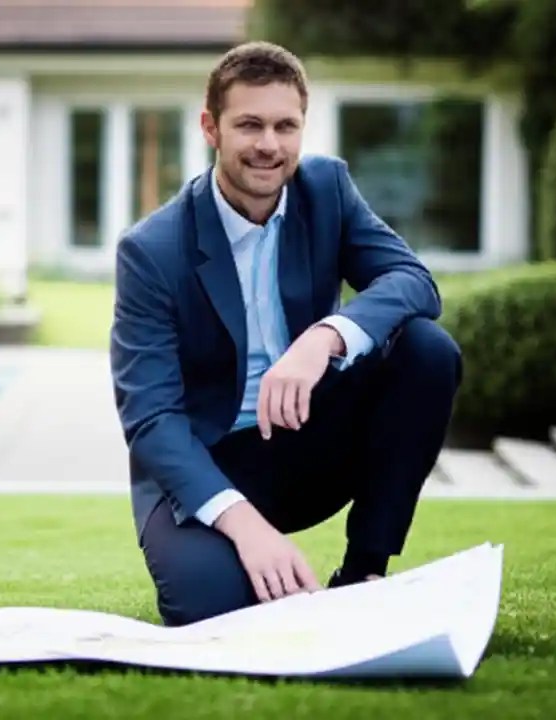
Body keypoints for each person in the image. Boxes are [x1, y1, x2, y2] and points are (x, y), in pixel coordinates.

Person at [109, 41, 463, 627]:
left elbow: (413, 281)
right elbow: (151, 419)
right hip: (209, 464)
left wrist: (326, 337)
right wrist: (246, 527)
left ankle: (364, 572)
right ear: (210, 128)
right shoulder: (152, 250)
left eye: (285, 126)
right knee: (212, 612)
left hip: (307, 440)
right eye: (249, 125)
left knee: (426, 350)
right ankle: (234, 561)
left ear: (303, 127)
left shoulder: (326, 190)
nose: (269, 145)